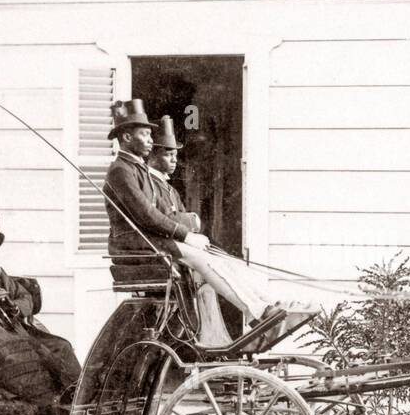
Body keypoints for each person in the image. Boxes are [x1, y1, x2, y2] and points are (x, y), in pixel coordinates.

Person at [102, 98, 318, 325]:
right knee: (204, 259)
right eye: (145, 135)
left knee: (224, 260)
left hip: (150, 240)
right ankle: (257, 313)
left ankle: (267, 304)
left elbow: (156, 215)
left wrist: (187, 234)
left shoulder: (137, 169)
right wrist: (187, 235)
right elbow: (146, 215)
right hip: (135, 244)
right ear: (127, 137)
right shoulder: (121, 171)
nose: (150, 140)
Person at [0, 210, 82, 408]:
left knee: (61, 347)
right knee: (25, 356)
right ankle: (46, 405)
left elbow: (25, 297)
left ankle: (77, 398)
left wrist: (15, 307)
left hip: (14, 328)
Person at [146, 116, 231, 347]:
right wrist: (191, 220)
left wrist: (186, 221)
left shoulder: (170, 189)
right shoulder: (150, 185)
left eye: (175, 155)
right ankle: (210, 339)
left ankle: (213, 339)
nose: (174, 160)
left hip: (180, 248)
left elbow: (179, 219)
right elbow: (163, 220)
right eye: (168, 154)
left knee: (211, 277)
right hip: (168, 252)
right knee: (208, 271)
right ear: (153, 156)